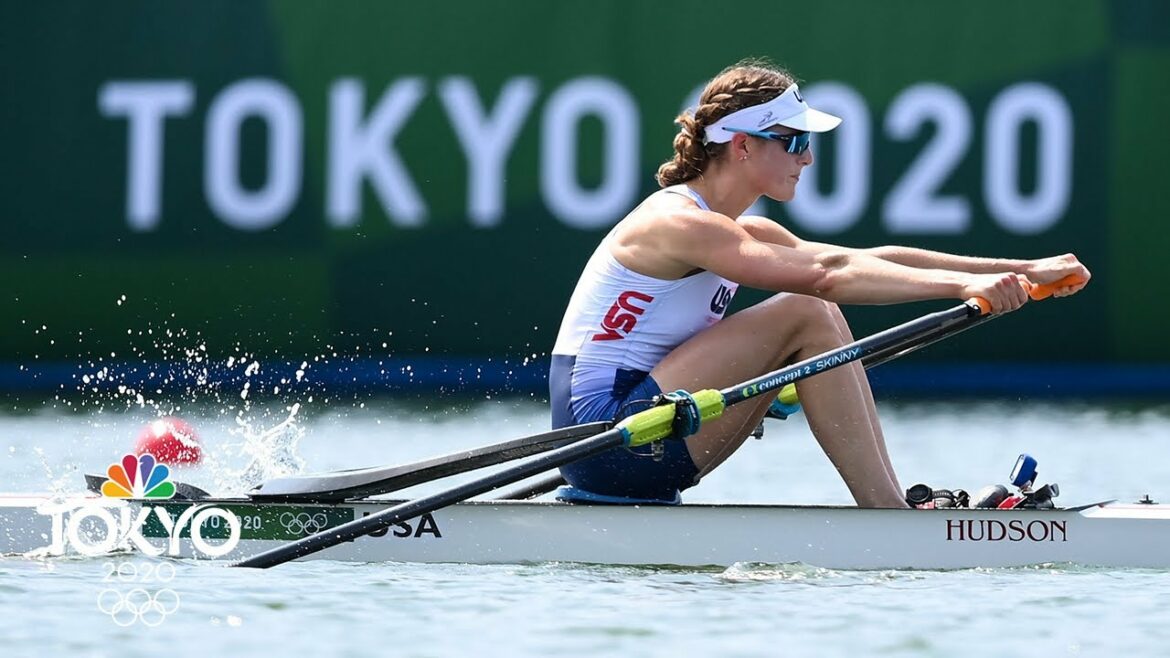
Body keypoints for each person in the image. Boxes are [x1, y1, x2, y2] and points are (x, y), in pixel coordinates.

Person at [548, 59, 1090, 508]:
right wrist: (960, 289)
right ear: (742, 146)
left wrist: (1017, 271)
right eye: (795, 140)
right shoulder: (677, 224)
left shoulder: (743, 230)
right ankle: (888, 513)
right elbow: (825, 278)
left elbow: (860, 258)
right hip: (605, 438)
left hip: (648, 431)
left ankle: (889, 508)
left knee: (813, 315)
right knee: (807, 310)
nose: (807, 156)